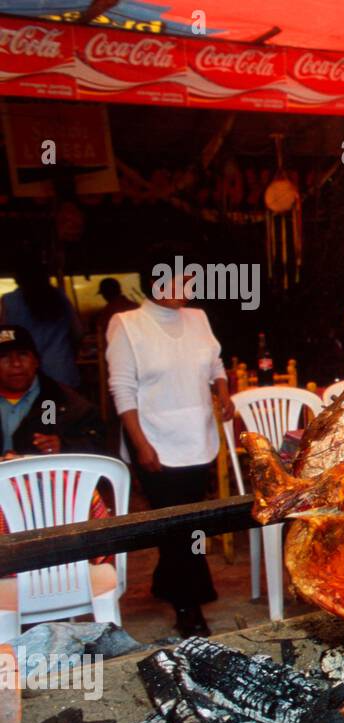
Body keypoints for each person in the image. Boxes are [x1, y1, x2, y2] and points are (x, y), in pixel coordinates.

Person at [106, 255, 235, 638]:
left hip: (197, 438)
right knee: (175, 525)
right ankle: (187, 606)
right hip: (155, 441)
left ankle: (168, 581)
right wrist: (140, 443)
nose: (190, 287)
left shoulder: (197, 318)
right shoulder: (127, 325)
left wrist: (224, 391)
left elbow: (215, 363)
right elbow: (122, 390)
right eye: (183, 279)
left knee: (191, 521)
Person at [0, 325, 104, 457]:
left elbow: (99, 444)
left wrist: (64, 446)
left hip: (46, 475)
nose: (16, 364)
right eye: (4, 357)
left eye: (23, 354)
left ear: (36, 361)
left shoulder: (63, 401)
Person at [0, 260, 83, 388]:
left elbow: (4, 338)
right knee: (55, 407)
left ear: (17, 278)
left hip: (24, 374)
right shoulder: (60, 297)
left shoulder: (9, 301)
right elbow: (78, 332)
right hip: (61, 370)